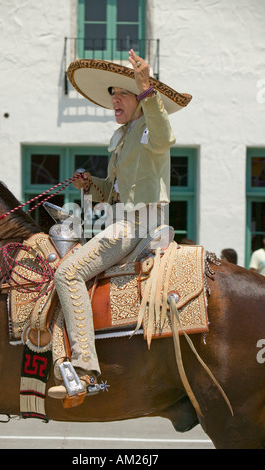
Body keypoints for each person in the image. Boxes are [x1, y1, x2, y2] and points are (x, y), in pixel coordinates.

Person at [48, 49, 192, 400]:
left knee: (66, 274)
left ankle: (85, 369)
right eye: (113, 94)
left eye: (122, 94)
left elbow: (164, 136)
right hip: (123, 219)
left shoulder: (150, 124)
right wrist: (90, 183)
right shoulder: (126, 135)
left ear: (140, 99)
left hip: (134, 226)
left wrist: (145, 89)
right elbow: (116, 191)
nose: (115, 99)